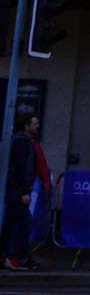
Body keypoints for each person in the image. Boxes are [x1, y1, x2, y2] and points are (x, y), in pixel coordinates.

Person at [1, 110, 40, 271]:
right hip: (17, 190)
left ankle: (5, 256)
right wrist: (24, 190)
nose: (38, 126)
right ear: (26, 126)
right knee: (24, 223)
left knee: (10, 223)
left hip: (15, 189)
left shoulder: (22, 141)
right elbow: (21, 168)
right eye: (35, 124)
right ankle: (17, 257)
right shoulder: (22, 142)